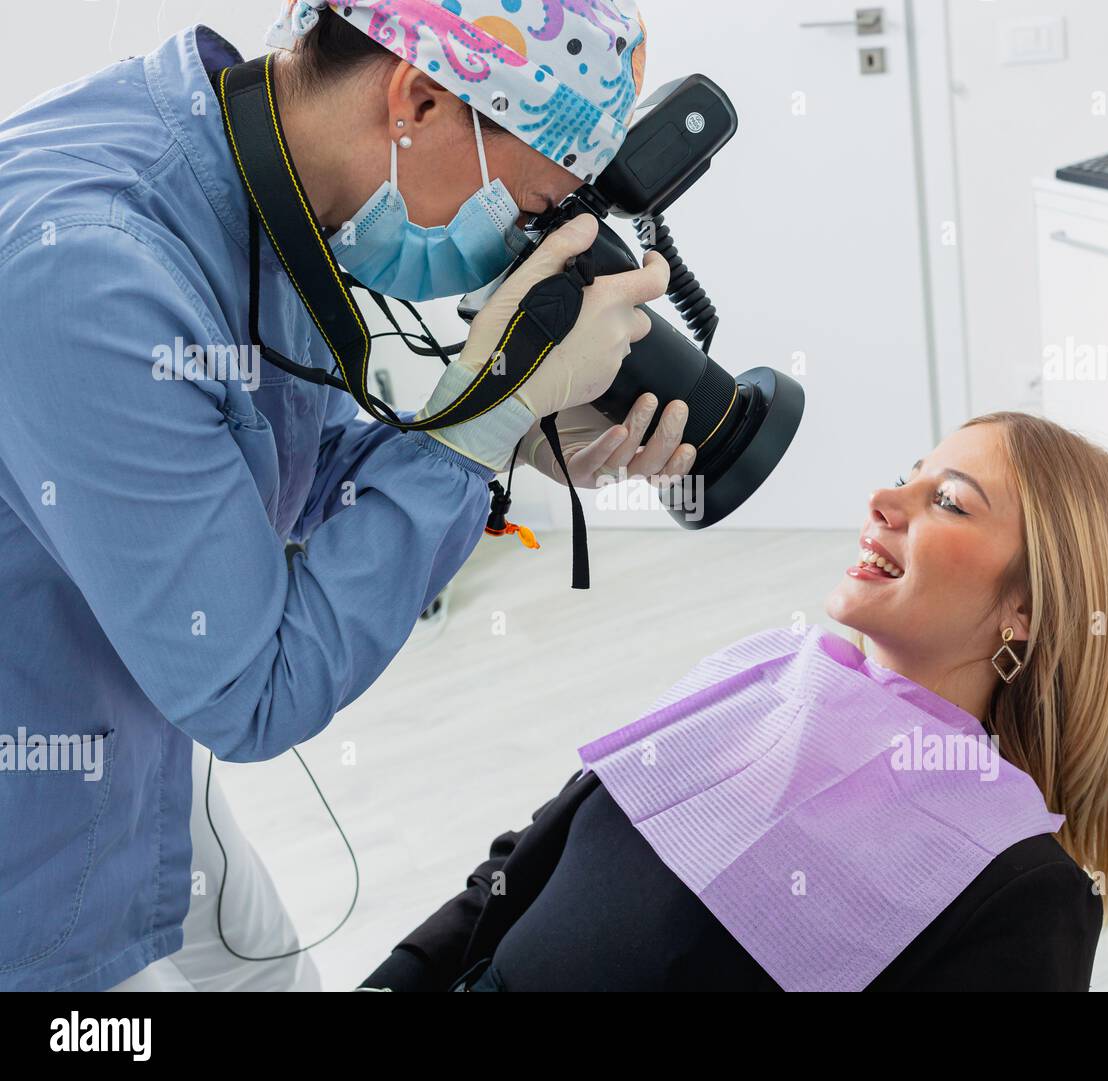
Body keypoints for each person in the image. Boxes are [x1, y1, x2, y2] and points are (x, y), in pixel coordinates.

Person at [0, 0, 691, 991]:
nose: (517, 249)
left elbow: (287, 462)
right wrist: (473, 434)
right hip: (33, 800)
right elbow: (252, 689)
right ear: (417, 96)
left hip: (123, 733)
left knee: (277, 982)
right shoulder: (86, 270)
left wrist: (502, 431)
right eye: (529, 208)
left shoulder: (245, 173)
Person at [362, 412, 1108, 991]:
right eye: (906, 473)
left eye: (948, 501)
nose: (885, 500)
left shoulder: (1021, 889)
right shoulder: (760, 673)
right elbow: (520, 864)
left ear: (1026, 609)